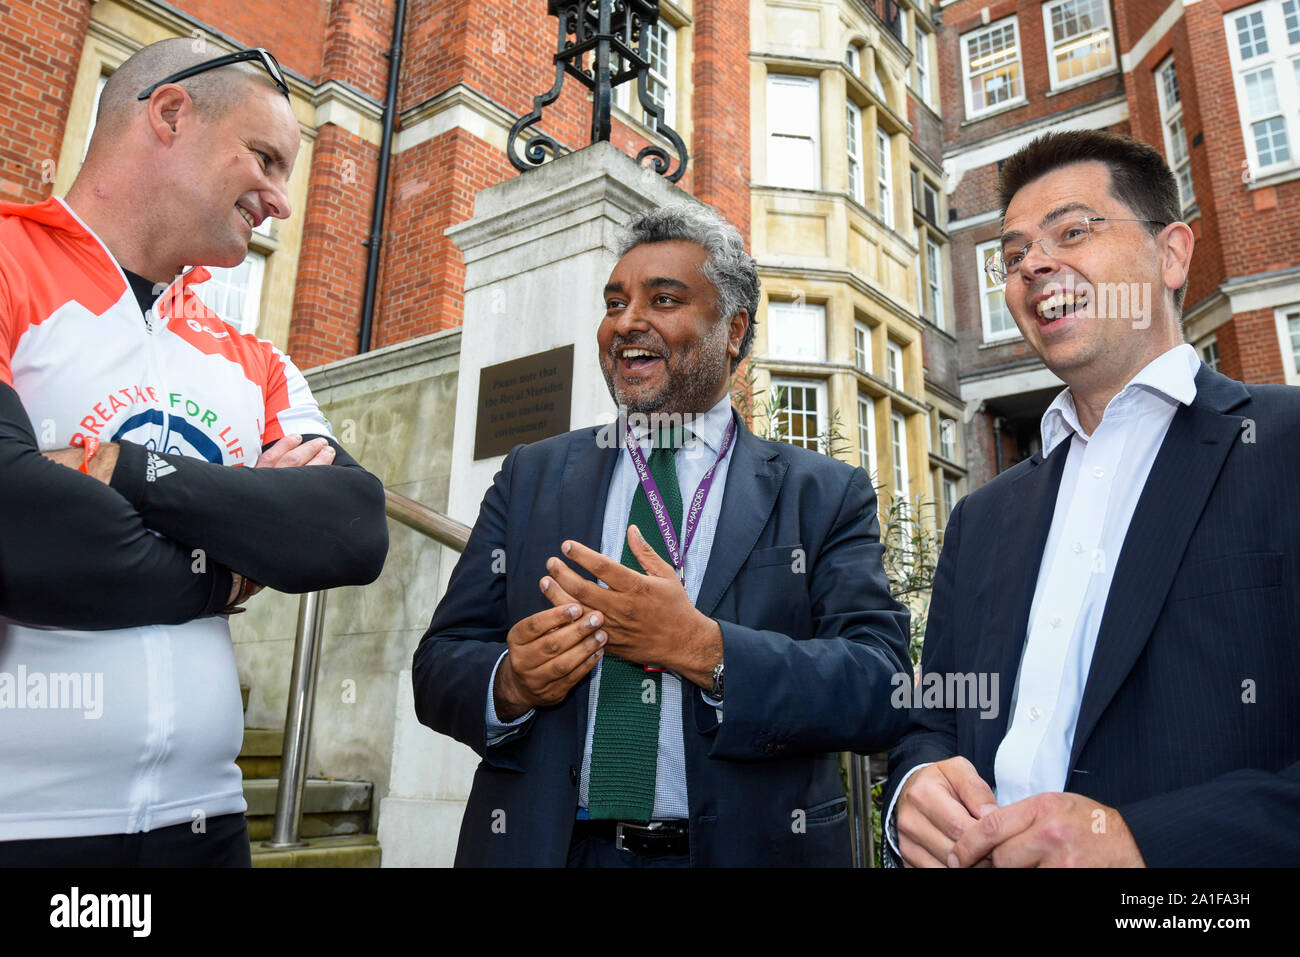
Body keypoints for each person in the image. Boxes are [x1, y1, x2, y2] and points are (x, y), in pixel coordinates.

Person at [413, 202, 910, 867]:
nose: (626, 322)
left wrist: (706, 649)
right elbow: (439, 661)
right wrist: (509, 681)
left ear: (733, 330)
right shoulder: (532, 473)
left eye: (664, 298)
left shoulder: (821, 494)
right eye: (614, 302)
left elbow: (880, 682)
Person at [0, 39, 389, 866]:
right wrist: (232, 561)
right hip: (26, 823)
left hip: (208, 824)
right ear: (171, 114)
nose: (282, 201)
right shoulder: (7, 264)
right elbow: (17, 524)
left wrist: (120, 470)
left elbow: (351, 529)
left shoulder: (255, 358)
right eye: (266, 158)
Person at [884, 130, 1300, 868]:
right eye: (1012, 256)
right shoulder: (982, 517)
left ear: (1171, 254)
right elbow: (934, 715)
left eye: (1072, 230)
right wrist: (913, 783)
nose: (1033, 264)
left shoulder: (1286, 445)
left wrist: (1145, 842)